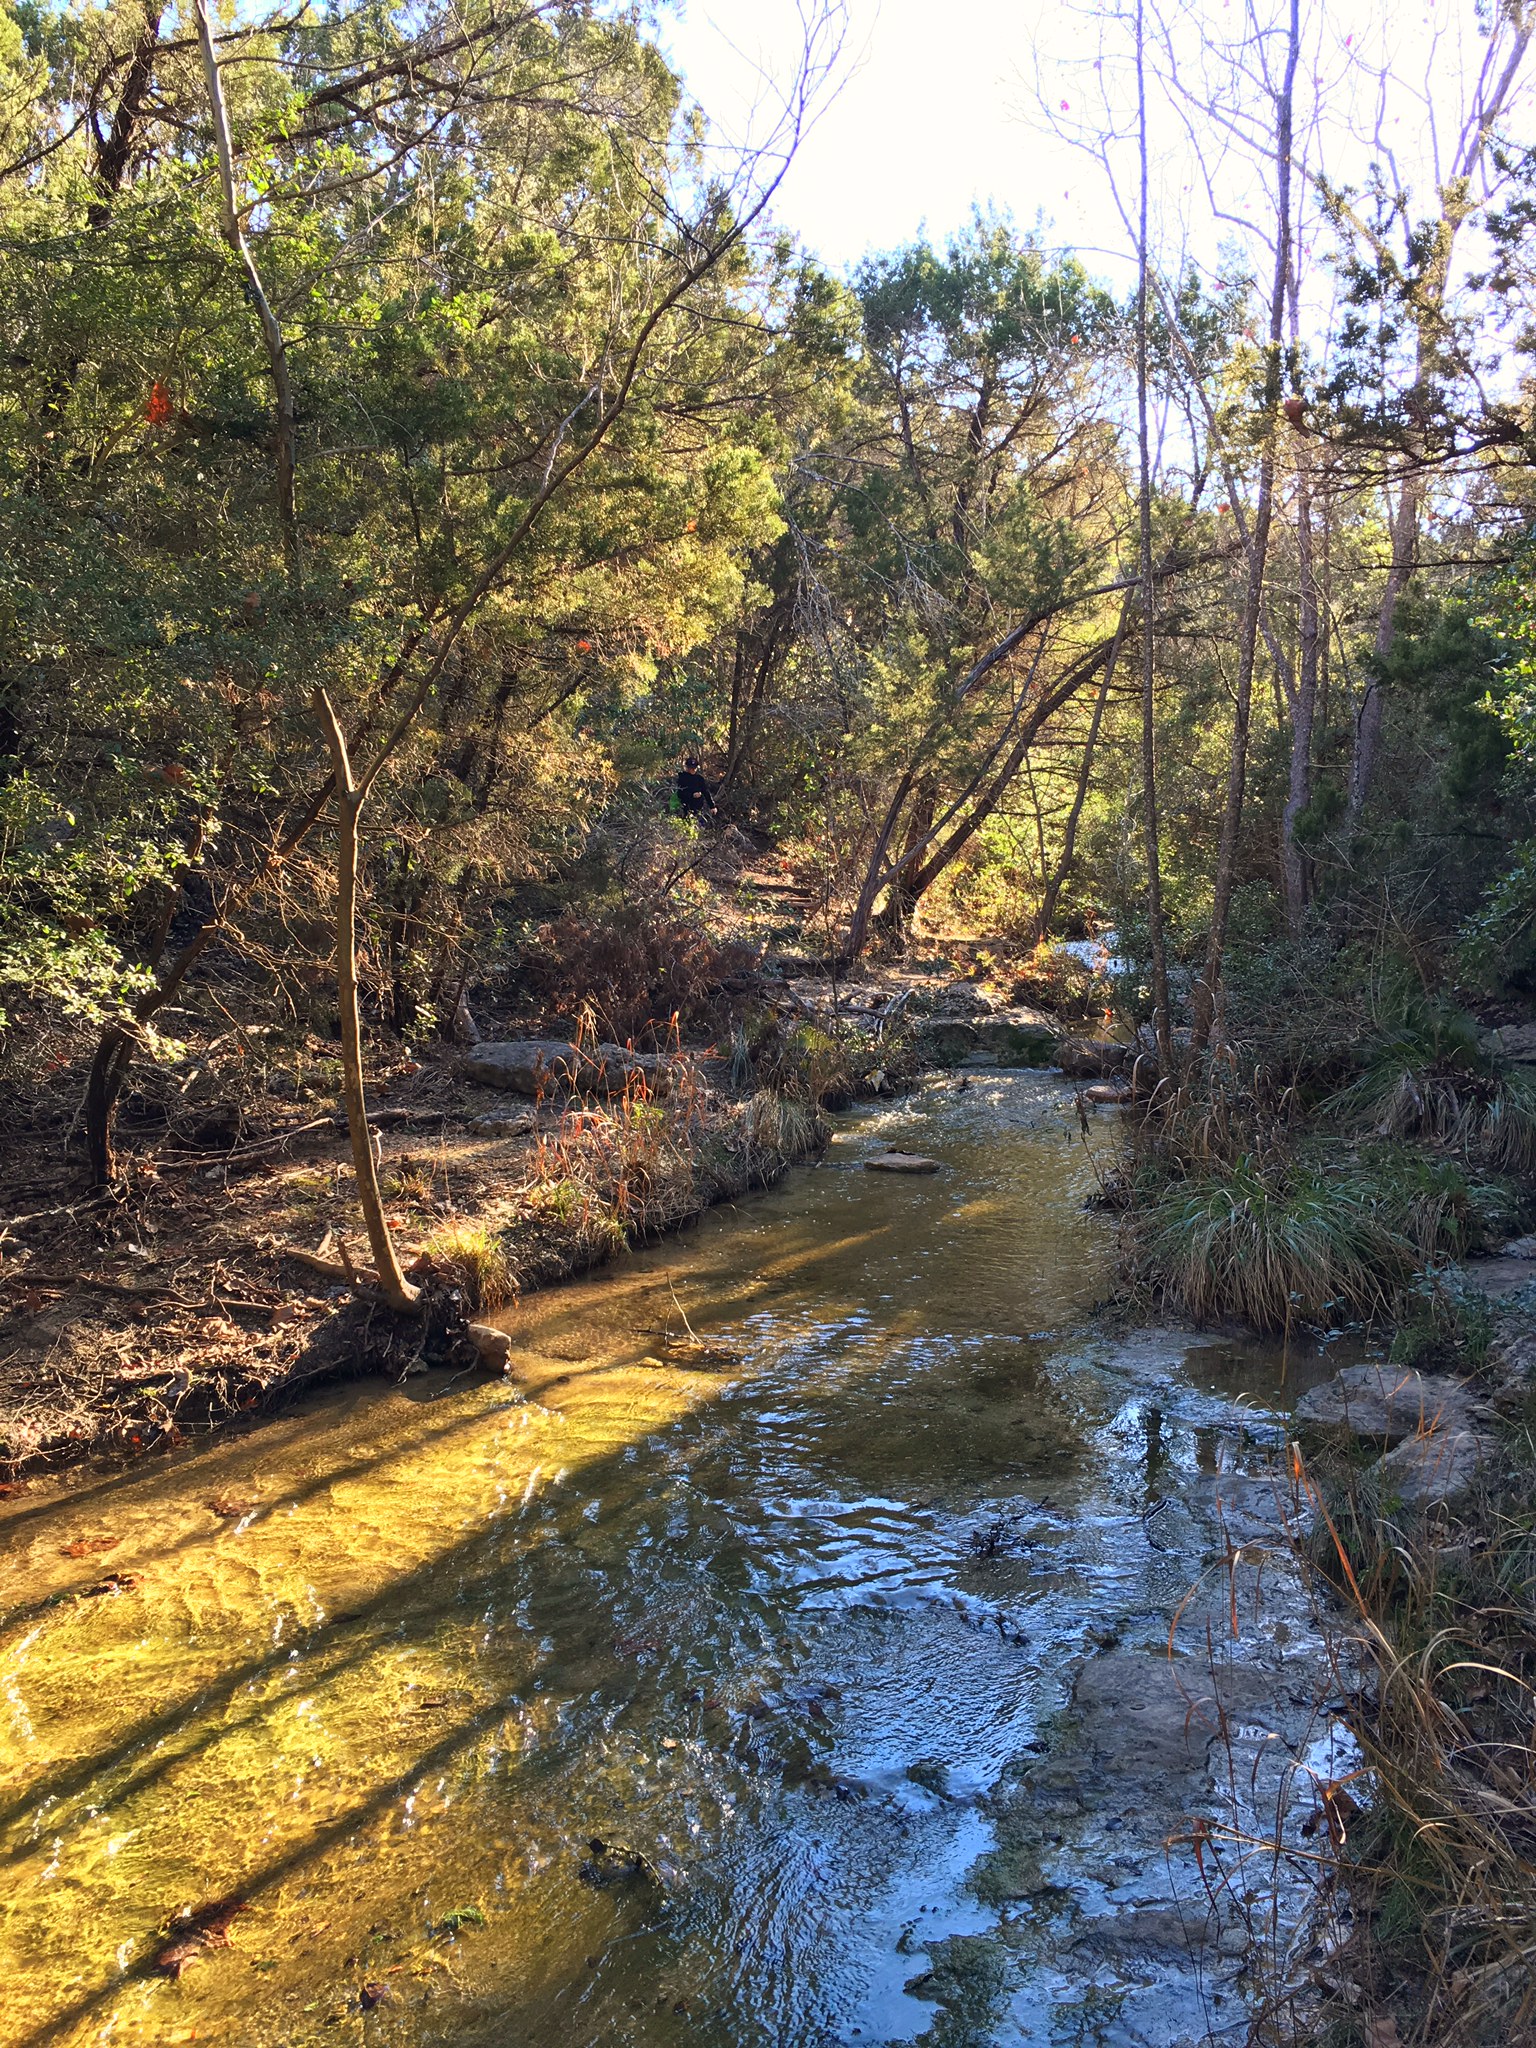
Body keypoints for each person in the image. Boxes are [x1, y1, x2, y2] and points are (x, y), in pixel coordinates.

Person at [675, 755, 717, 821]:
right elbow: (680, 793)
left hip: (698, 808)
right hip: (685, 807)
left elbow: (706, 792)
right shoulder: (682, 778)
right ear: (687, 767)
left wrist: (712, 806)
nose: (693, 770)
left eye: (694, 768)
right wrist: (692, 795)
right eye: (691, 768)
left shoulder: (699, 779)